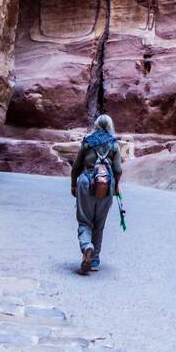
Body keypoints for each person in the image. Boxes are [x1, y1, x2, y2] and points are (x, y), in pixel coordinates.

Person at [70, 114, 123, 274]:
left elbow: (76, 166)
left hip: (86, 180)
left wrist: (73, 184)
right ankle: (94, 261)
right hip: (106, 185)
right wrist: (116, 186)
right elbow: (118, 170)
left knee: (85, 221)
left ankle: (87, 246)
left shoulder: (88, 141)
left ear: (97, 125)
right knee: (99, 224)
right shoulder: (114, 144)